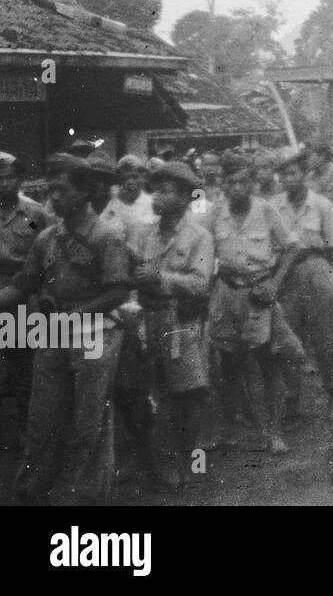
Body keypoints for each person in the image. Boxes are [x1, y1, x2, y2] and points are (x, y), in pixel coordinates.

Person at [1, 154, 131, 503]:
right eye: (50, 190)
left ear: (85, 191)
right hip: (55, 330)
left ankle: (87, 494)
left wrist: (75, 315)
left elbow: (119, 290)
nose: (54, 197)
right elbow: (23, 285)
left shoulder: (107, 236)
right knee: (42, 415)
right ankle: (37, 485)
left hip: (95, 332)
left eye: (61, 190)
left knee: (90, 419)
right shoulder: (46, 237)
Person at [207, 151, 300, 454]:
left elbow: (291, 248)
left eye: (242, 182)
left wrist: (275, 282)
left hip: (259, 292)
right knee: (229, 364)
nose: (236, 188)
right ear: (223, 184)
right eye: (230, 182)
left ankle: (273, 432)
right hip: (227, 291)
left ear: (252, 183)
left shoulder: (267, 210)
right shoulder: (214, 214)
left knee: (268, 363)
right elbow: (204, 251)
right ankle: (229, 428)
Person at [133, 161, 213, 490]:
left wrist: (160, 278)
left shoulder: (198, 236)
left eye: (166, 191)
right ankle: (158, 463)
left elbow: (200, 282)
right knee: (153, 393)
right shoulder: (144, 234)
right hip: (147, 318)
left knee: (189, 392)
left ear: (183, 197)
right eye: (156, 190)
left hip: (180, 319)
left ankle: (187, 458)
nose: (157, 197)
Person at [274, 151, 333, 422]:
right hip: (285, 275)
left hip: (316, 269)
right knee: (288, 339)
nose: (287, 179)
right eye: (283, 174)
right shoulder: (273, 206)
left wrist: (325, 277)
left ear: (305, 175)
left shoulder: (322, 205)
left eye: (293, 173)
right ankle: (292, 398)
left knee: (328, 337)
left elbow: (332, 247)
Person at [0, 152, 48, 444]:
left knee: (21, 366)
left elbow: (43, 248)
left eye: (9, 177)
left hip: (21, 297)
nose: (3, 184)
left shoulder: (33, 215)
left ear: (19, 179)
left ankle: (24, 431)